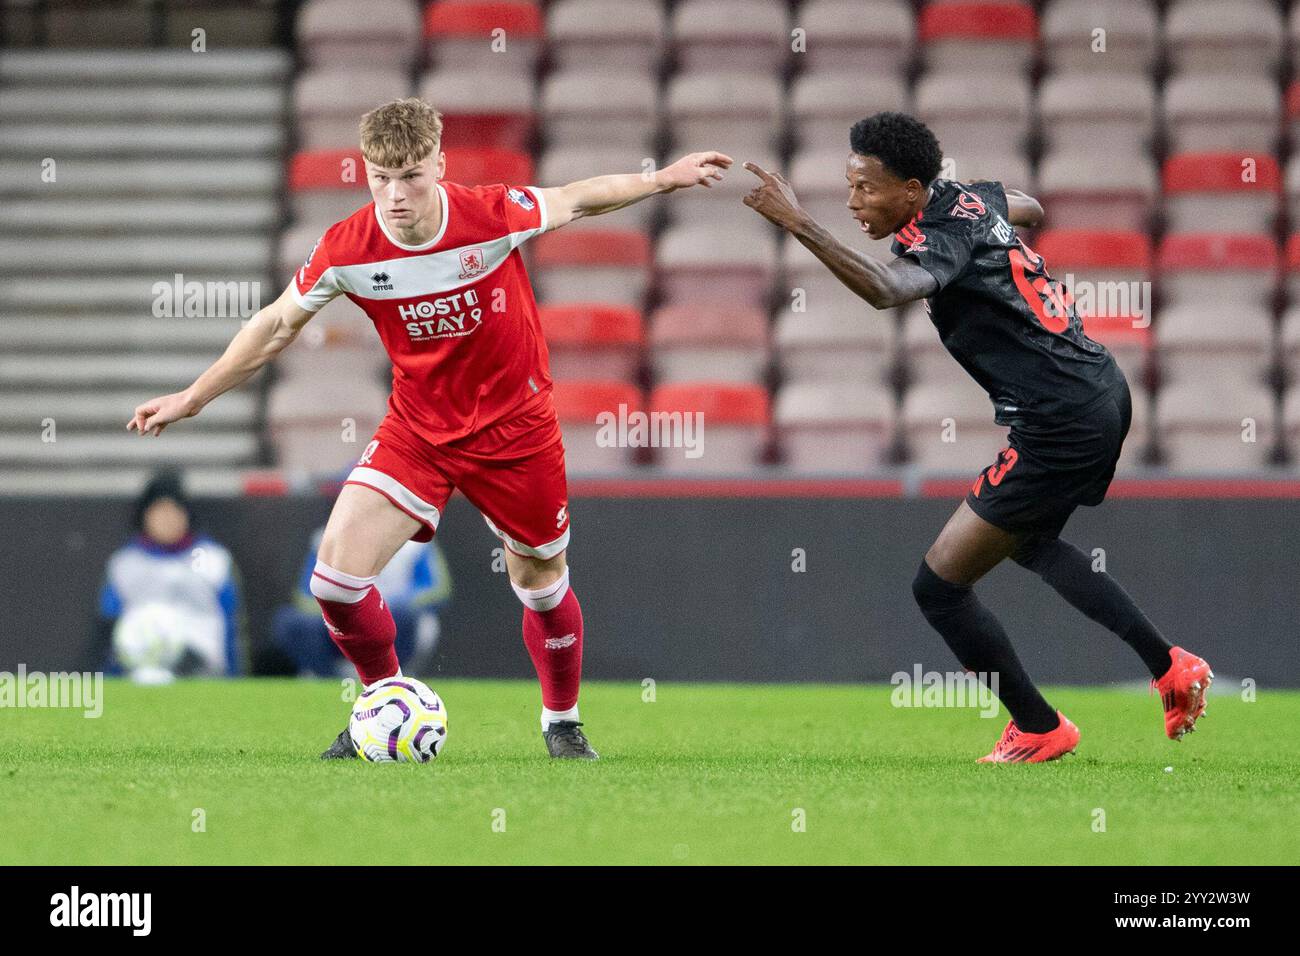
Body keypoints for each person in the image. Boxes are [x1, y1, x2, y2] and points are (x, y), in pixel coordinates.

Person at [127, 96, 732, 759]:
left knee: (540, 579)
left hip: (515, 433)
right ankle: (385, 701)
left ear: (440, 165)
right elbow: (275, 325)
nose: (395, 194)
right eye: (379, 177)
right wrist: (194, 396)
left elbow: (579, 197)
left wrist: (661, 178)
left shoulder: (492, 216)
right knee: (333, 579)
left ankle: (562, 721)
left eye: (411, 175)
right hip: (418, 431)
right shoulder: (347, 249)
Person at [741, 111, 1212, 762]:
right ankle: (1167, 667)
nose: (852, 202)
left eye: (866, 188)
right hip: (1097, 391)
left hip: (1060, 417)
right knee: (1032, 544)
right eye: (848, 188)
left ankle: (1041, 727)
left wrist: (796, 223)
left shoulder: (940, 236)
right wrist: (992, 221)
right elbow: (1031, 206)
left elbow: (885, 288)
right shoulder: (969, 198)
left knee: (938, 587)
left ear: (911, 190)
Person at [96, 470, 243, 681]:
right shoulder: (124, 564)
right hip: (138, 667)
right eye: (160, 511)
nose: (168, 519)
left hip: (202, 669)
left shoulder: (214, 560)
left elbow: (232, 627)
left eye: (175, 510)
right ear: (145, 516)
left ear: (186, 514)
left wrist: (233, 678)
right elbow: (108, 629)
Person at [273, 525, 451, 677]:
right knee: (292, 620)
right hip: (342, 619)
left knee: (404, 614)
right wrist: (341, 610)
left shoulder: (414, 540)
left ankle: (392, 678)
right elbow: (305, 595)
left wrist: (384, 605)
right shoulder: (326, 537)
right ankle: (329, 680)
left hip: (395, 617)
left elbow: (437, 590)